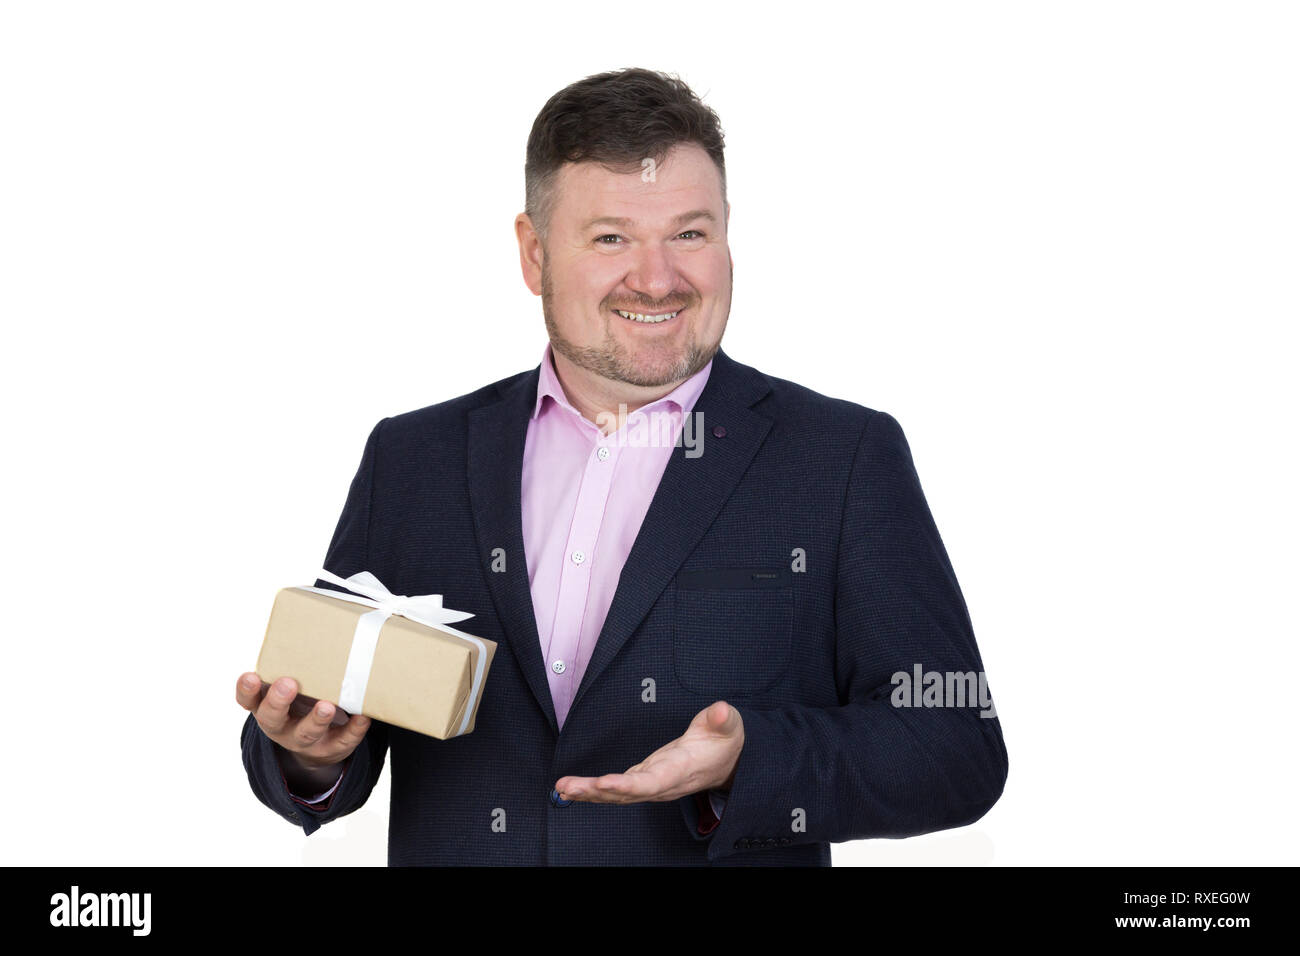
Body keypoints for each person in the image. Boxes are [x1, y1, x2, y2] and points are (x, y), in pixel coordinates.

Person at [236, 67, 1008, 866]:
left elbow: (955, 747)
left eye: (690, 233)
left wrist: (753, 760)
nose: (658, 278)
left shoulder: (841, 460)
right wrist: (309, 754)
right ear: (534, 255)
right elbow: (327, 712)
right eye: (611, 238)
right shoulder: (413, 459)